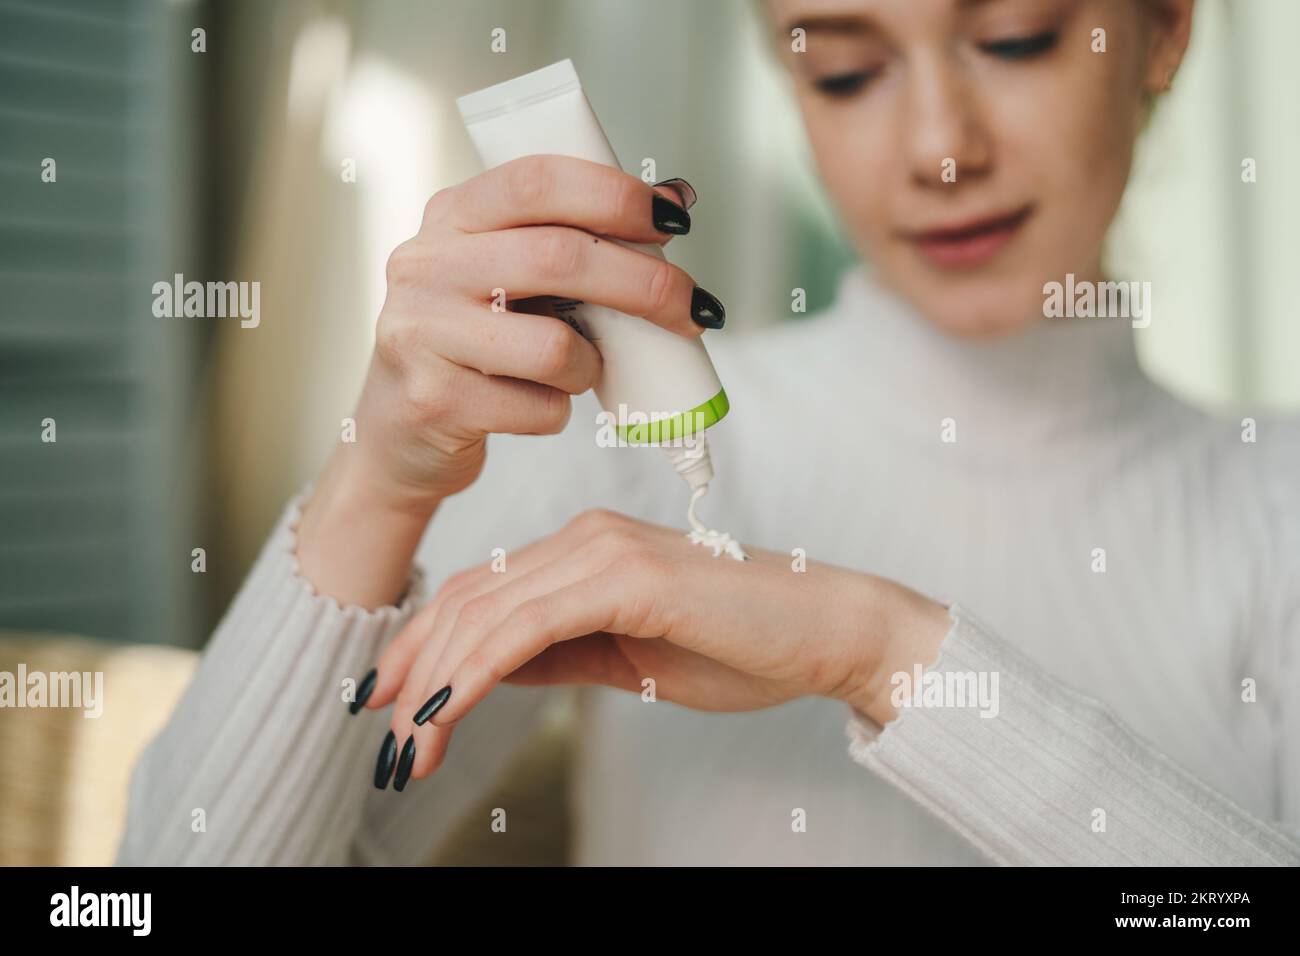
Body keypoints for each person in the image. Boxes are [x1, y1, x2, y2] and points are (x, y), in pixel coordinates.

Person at [118, 0, 1300, 865]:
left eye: (1014, 39)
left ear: (1162, 31)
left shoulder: (1273, 504)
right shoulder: (618, 440)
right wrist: (378, 479)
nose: (941, 149)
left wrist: (879, 651)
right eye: (844, 69)